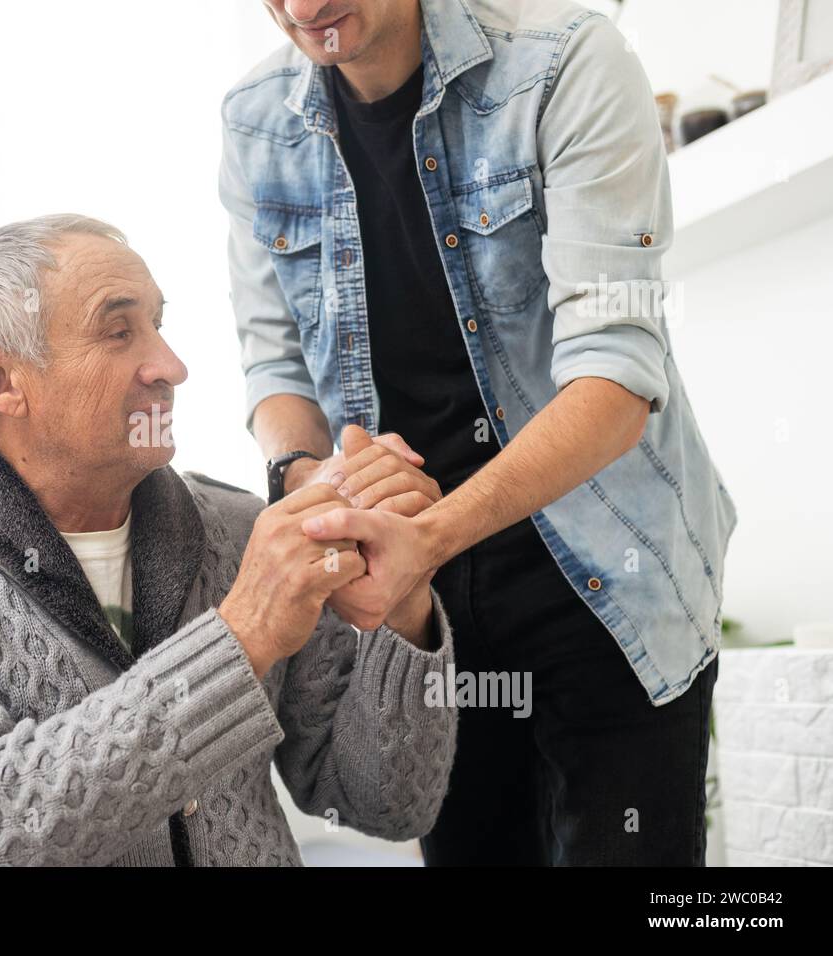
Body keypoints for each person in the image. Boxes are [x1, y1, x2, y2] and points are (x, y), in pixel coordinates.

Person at [219, 0, 737, 864]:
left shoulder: (567, 62)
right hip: (425, 611)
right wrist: (311, 484)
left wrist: (425, 534)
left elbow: (615, 377)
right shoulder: (255, 122)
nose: (304, 10)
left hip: (606, 580)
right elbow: (274, 369)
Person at [0, 213, 457, 866]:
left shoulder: (237, 528)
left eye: (158, 326)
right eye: (118, 332)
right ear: (1, 379)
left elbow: (387, 805)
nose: (171, 367)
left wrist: (403, 601)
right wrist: (243, 637)